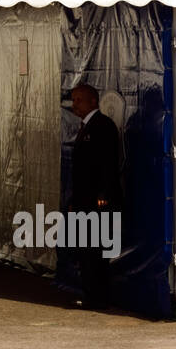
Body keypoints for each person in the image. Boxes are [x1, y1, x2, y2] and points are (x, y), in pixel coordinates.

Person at [68, 82, 123, 310]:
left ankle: (97, 297)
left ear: (92, 101)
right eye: (73, 100)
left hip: (97, 202)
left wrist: (103, 194)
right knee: (85, 249)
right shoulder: (84, 128)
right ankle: (90, 294)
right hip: (83, 200)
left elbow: (108, 163)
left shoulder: (103, 126)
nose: (74, 104)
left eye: (79, 100)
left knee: (96, 250)